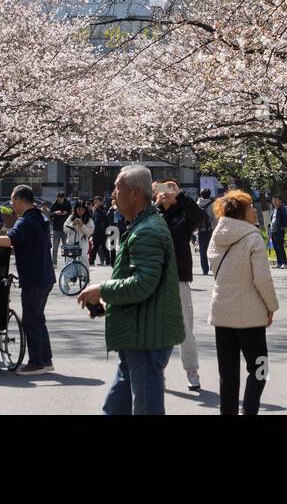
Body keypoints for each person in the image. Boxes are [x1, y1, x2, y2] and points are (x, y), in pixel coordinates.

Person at [77, 164, 185, 415]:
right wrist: (109, 302)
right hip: (138, 332)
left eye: (117, 187)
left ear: (134, 192)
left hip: (146, 335)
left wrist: (102, 289)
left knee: (146, 406)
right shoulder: (143, 226)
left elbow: (143, 283)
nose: (113, 194)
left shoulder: (147, 230)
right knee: (118, 403)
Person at [0, 185, 56, 375]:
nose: (11, 205)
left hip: (34, 278)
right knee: (38, 319)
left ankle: (36, 363)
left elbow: (10, 240)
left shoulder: (25, 220)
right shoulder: (40, 216)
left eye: (12, 200)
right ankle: (46, 360)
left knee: (31, 321)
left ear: (19, 199)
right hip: (46, 276)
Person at [207, 190, 277, 415]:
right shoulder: (252, 237)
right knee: (260, 369)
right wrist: (271, 306)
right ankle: (250, 411)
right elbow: (263, 279)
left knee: (227, 375)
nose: (255, 210)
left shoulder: (217, 236)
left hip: (222, 314)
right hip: (250, 317)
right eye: (250, 207)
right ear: (241, 213)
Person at [153, 179, 207, 391]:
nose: (166, 193)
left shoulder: (182, 214)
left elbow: (200, 218)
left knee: (185, 327)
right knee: (156, 328)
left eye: (170, 190)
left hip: (179, 277)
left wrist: (181, 196)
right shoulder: (150, 215)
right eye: (162, 191)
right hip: (154, 278)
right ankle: (157, 370)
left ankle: (191, 370)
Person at [50, 191, 72, 268]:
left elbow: (69, 213)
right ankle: (54, 263)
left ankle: (67, 263)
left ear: (63, 198)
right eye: (58, 198)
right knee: (55, 247)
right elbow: (51, 214)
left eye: (60, 198)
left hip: (65, 229)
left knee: (66, 247)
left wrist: (62, 213)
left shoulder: (67, 204)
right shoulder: (54, 204)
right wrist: (56, 213)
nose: (59, 200)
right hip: (56, 228)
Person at [89, 194, 112, 266]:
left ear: (101, 202)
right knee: (94, 248)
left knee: (105, 248)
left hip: (103, 232)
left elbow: (106, 218)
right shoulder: (94, 210)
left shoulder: (104, 208)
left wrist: (98, 209)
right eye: (95, 201)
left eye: (97, 201)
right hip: (96, 232)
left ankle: (108, 262)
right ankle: (91, 262)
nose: (95, 203)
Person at [196, 189, 214, 276]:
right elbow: (215, 218)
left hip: (200, 229)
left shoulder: (197, 204)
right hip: (210, 229)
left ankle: (205, 270)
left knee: (202, 250)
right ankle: (213, 266)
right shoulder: (213, 204)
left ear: (201, 194)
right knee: (212, 248)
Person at [269, 195, 287, 268]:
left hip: (279, 231)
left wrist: (282, 226)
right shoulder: (274, 209)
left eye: (276, 200)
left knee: (280, 247)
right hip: (273, 231)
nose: (274, 201)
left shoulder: (282, 209)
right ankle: (279, 263)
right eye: (273, 200)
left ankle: (284, 263)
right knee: (276, 248)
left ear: (280, 201)